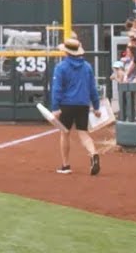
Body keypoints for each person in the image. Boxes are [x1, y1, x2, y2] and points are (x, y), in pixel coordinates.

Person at [49, 39, 106, 175]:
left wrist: (55, 107)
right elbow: (93, 88)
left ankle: (65, 165)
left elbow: (57, 89)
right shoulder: (87, 67)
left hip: (66, 104)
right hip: (83, 104)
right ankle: (93, 154)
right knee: (83, 132)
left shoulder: (61, 67)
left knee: (65, 133)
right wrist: (97, 106)